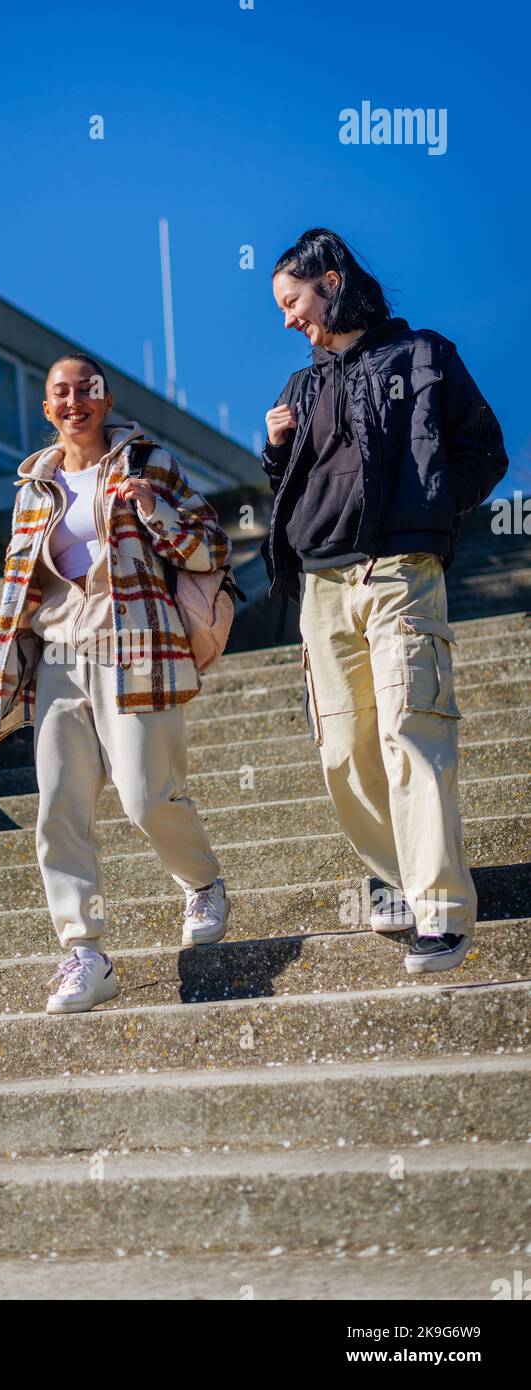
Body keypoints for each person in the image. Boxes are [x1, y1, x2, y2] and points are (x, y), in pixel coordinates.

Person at [262, 228, 509, 974]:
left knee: (412, 730)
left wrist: (429, 508)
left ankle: (439, 909)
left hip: (399, 572)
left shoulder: (423, 355)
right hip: (321, 583)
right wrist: (276, 453)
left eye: (292, 300)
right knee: (342, 748)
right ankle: (393, 874)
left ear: (330, 282)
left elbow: (483, 450)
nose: (286, 320)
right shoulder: (300, 386)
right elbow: (295, 490)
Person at [0, 353, 233, 1013]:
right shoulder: (31, 489)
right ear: (46, 409)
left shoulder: (149, 463)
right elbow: (20, 590)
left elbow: (210, 550)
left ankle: (201, 882)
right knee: (58, 809)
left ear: (105, 397)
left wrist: (154, 511)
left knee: (146, 797)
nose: (73, 401)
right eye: (59, 392)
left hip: (135, 644)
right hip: (60, 658)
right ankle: (84, 951)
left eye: (85, 389)